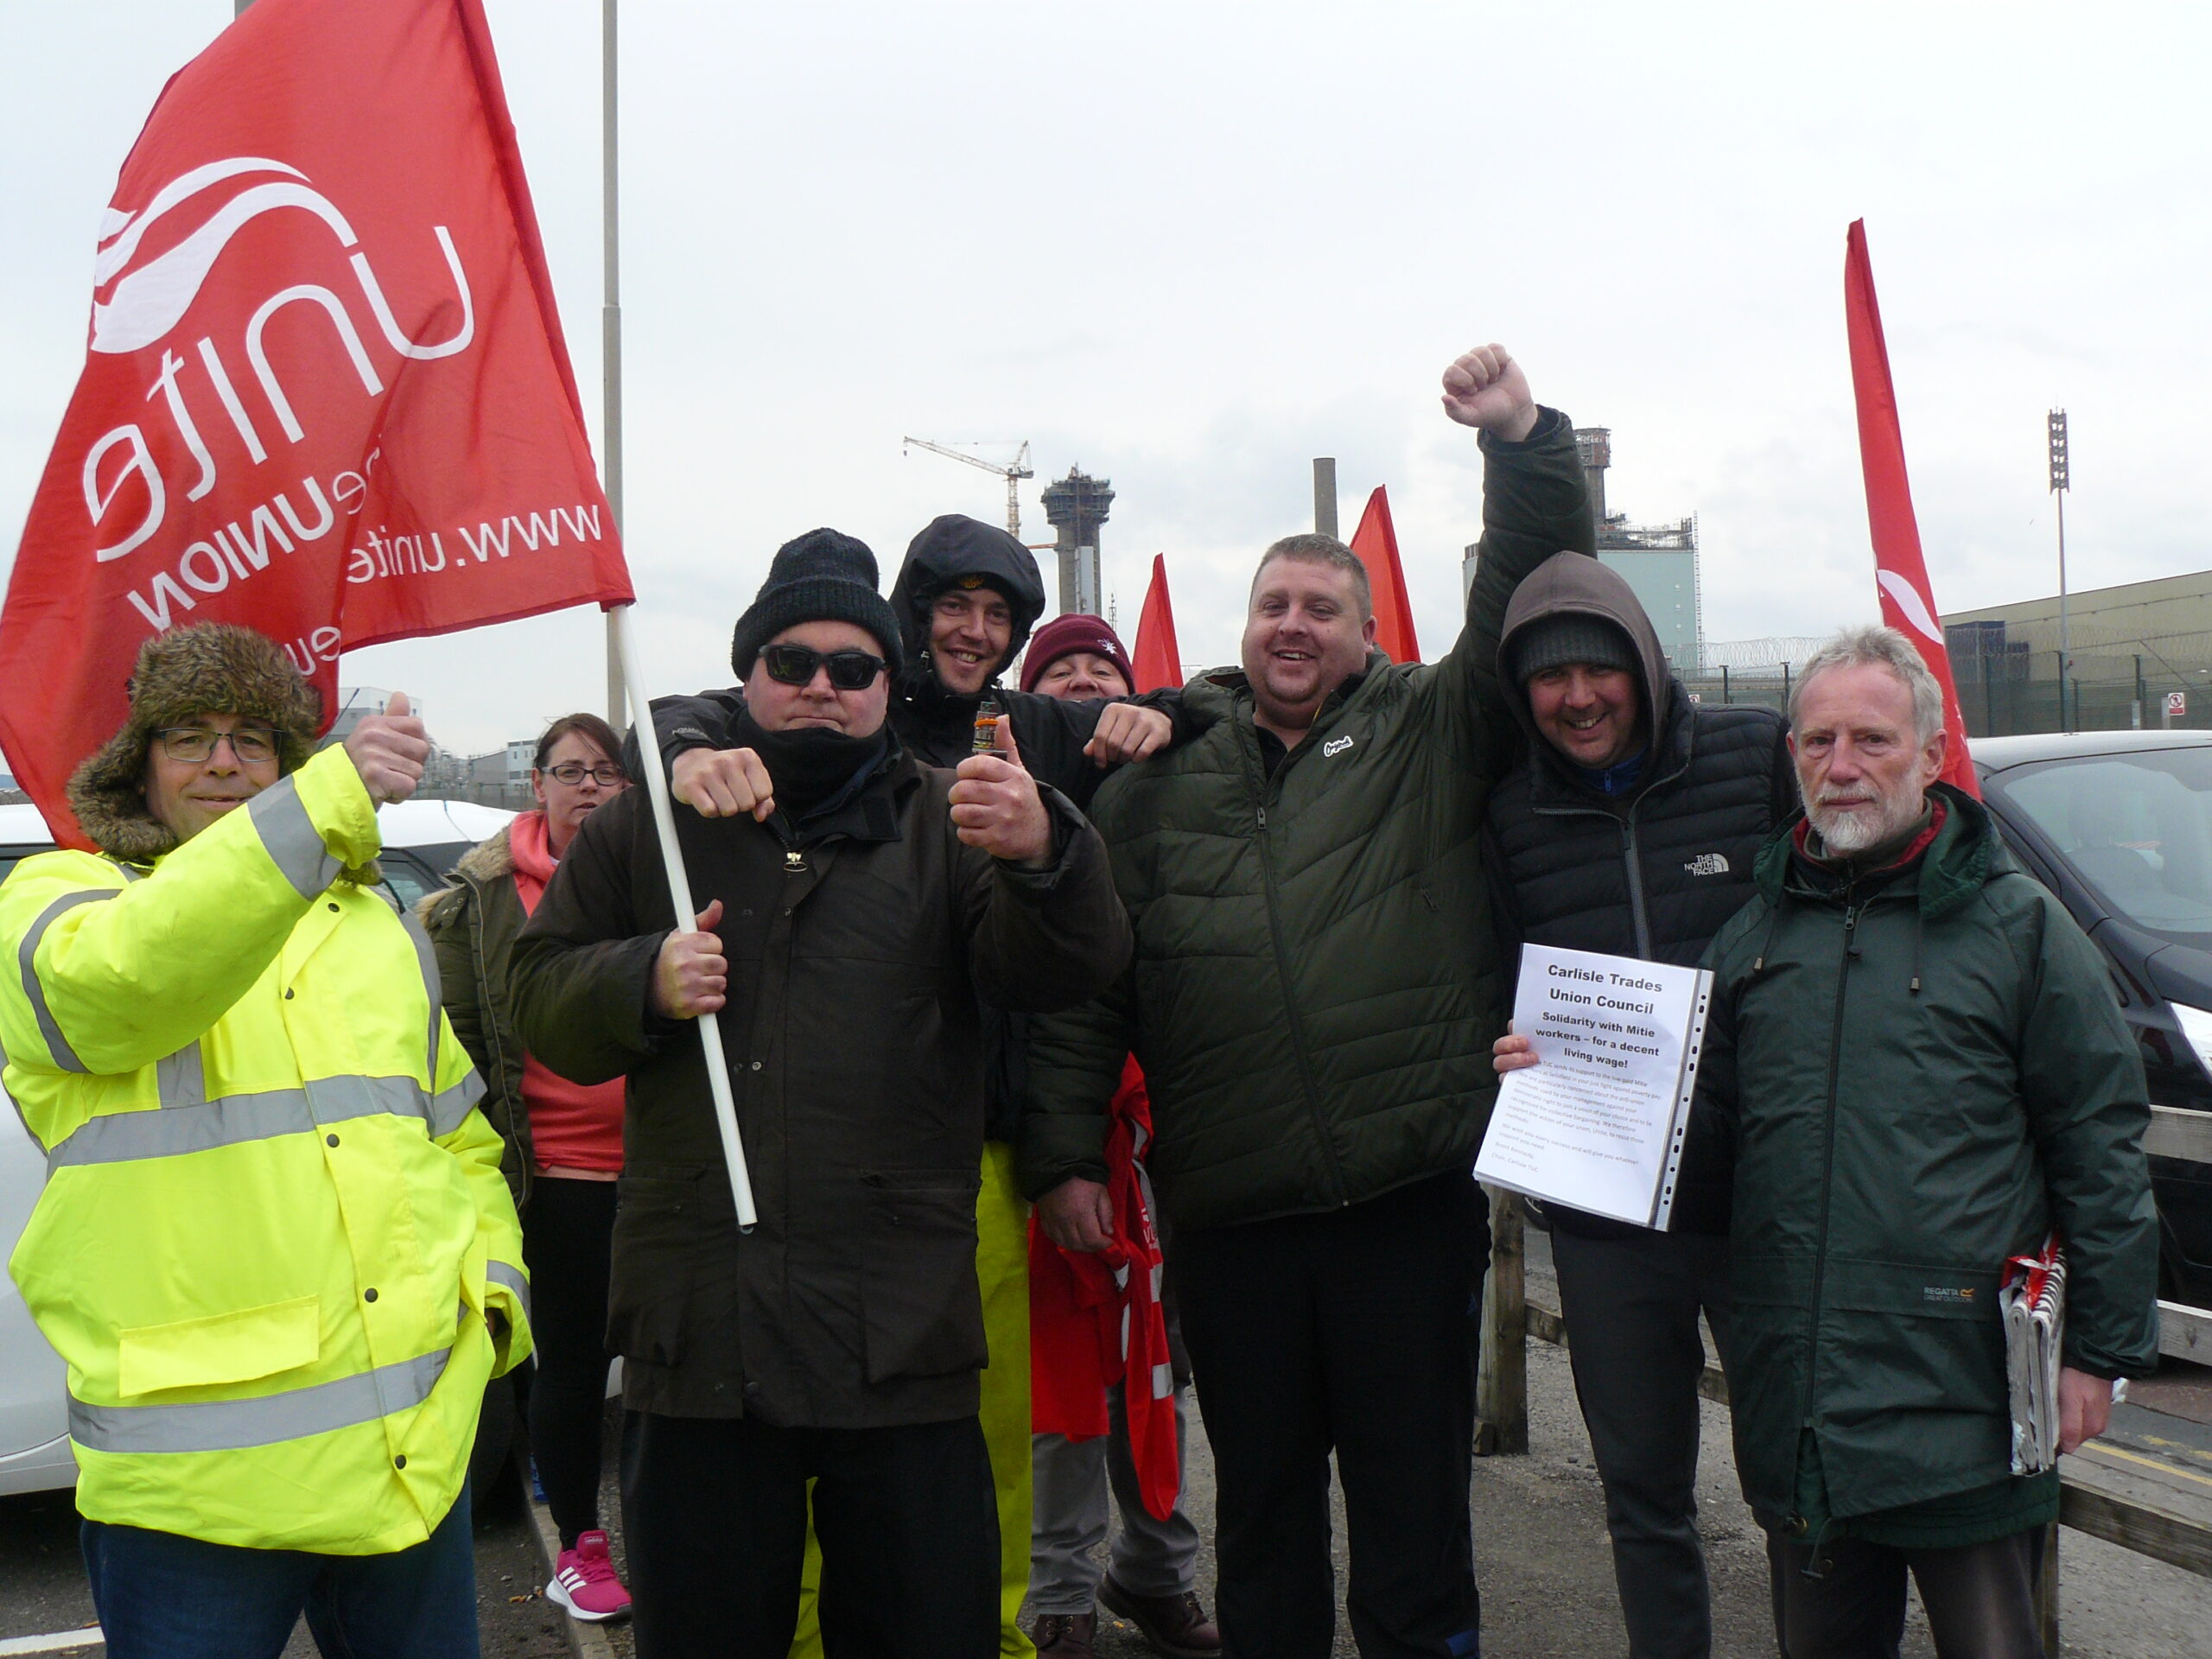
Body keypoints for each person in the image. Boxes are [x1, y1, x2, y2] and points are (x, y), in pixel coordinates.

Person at [1022, 342, 1593, 1659]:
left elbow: (1529, 586)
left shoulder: (1430, 729)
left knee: (1413, 1513)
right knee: (1264, 1519)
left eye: (1321, 608)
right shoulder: (1157, 782)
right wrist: (1063, 1153)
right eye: (1274, 603)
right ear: (1244, 628)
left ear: (1367, 632)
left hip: (1405, 1209)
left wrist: (1520, 443)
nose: (1294, 624)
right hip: (1233, 1223)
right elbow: (1089, 981)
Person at [505, 531, 1133, 1659]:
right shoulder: (657, 824)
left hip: (898, 1339)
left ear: (892, 689)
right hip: (702, 1338)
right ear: (746, 676)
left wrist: (1050, 853)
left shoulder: (953, 825)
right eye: (791, 663)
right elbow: (535, 998)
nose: (821, 688)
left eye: (854, 669)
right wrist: (638, 977)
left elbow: (1066, 968)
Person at [1499, 624, 2159, 1659]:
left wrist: (2100, 1354)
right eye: (1815, 743)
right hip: (1803, 1410)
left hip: (1963, 1400)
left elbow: (2099, 1144)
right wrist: (1577, 1080)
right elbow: (1705, 1137)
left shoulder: (2019, 929)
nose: (1840, 768)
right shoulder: (1755, 934)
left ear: (1932, 757)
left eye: (1870, 741)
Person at [0, 622, 529, 1659]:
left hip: (406, 1465)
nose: (222, 762)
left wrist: (490, 1297)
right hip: (196, 1501)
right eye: (187, 735)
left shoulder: (370, 922)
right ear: (136, 765)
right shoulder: (60, 898)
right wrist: (322, 804)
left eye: (252, 740)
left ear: (281, 760)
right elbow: (124, 988)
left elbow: (457, 1134)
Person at [1484, 555, 1794, 1659]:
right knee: (1644, 1495)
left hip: (1763, 1204)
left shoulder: (1757, 755)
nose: (1577, 697)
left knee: (1795, 1490)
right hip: (1607, 1216)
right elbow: (1484, 976)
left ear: (1646, 669)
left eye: (1599, 669)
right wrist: (1504, 1046)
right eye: (1549, 677)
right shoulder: (1509, 814)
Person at [1017, 615, 1219, 1659]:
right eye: (1061, 681)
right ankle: (1057, 1589)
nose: (1087, 695)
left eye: (1104, 677)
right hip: (1047, 1137)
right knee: (1063, 1373)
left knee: (1156, 1363)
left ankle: (1156, 1570)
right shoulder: (1005, 813)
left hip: (1165, 1143)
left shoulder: (1175, 797)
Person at [422, 713, 634, 1622]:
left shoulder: (656, 872)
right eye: (569, 771)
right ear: (536, 784)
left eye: (605, 772)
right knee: (573, 1365)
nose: (587, 787)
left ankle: (673, 1535)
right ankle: (581, 1545)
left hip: (666, 1170)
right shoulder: (479, 897)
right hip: (556, 1175)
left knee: (672, 1365)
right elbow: (462, 1050)